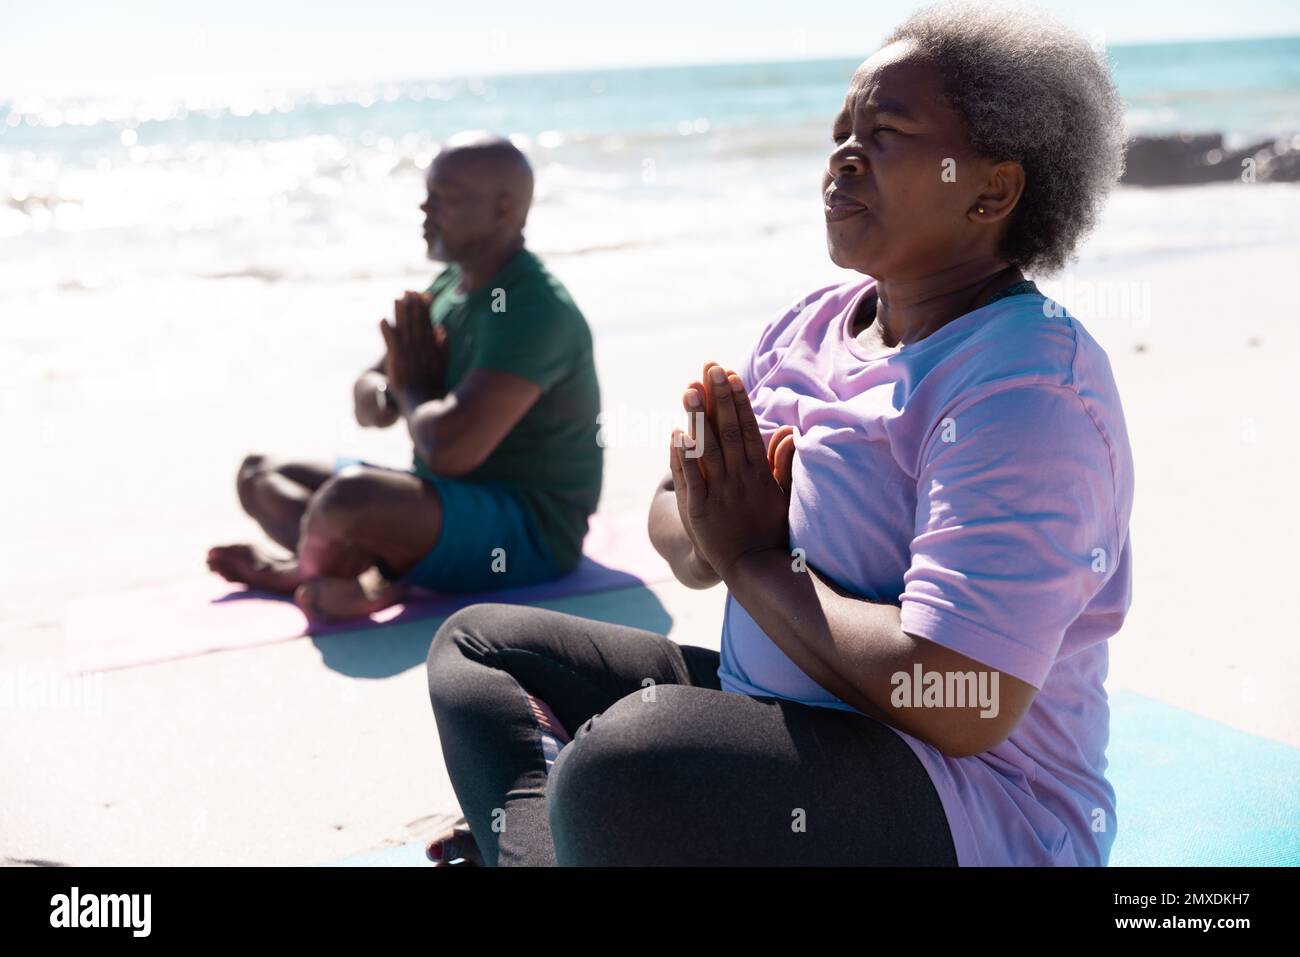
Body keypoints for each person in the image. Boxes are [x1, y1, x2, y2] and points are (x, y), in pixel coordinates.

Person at [425, 2, 1133, 866]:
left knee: (623, 763)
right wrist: (710, 516)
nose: (844, 154)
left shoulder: (1024, 388)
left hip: (968, 803)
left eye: (886, 132)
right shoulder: (810, 326)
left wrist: (755, 560)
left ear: (991, 188)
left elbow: (961, 697)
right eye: (842, 129)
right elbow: (678, 531)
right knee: (483, 652)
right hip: (775, 715)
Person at [207, 132, 603, 623]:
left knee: (351, 497)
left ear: (504, 209)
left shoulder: (531, 309)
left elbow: (449, 451)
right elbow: (367, 397)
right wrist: (397, 389)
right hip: (439, 499)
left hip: (530, 532)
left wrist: (412, 387)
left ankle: (304, 571)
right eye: (426, 193)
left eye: (445, 197)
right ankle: (351, 571)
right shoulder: (450, 286)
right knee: (260, 474)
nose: (425, 207)